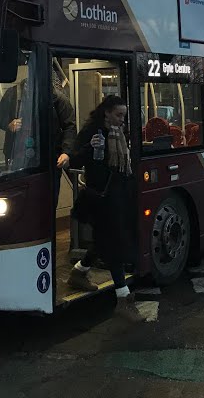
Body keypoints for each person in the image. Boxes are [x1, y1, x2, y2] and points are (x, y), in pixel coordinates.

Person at [67, 95, 143, 323]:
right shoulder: (92, 131)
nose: (122, 120)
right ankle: (123, 298)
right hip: (100, 197)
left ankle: (79, 272)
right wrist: (90, 149)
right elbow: (75, 161)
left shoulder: (119, 133)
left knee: (105, 241)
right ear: (106, 112)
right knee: (114, 244)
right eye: (118, 115)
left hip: (117, 194)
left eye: (124, 115)